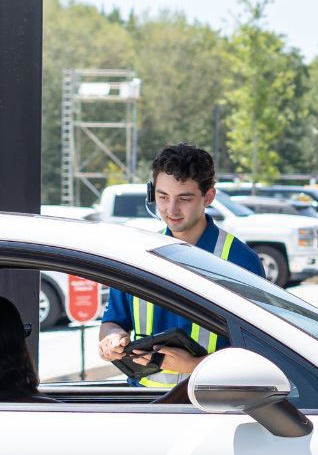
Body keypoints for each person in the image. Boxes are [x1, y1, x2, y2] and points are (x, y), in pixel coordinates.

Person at [99, 143, 265, 388]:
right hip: (144, 407)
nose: (171, 209)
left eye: (184, 198)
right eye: (162, 197)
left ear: (208, 197)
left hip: (212, 405)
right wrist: (110, 339)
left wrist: (193, 366)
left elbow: (260, 351)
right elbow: (112, 322)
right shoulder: (139, 255)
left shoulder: (240, 262)